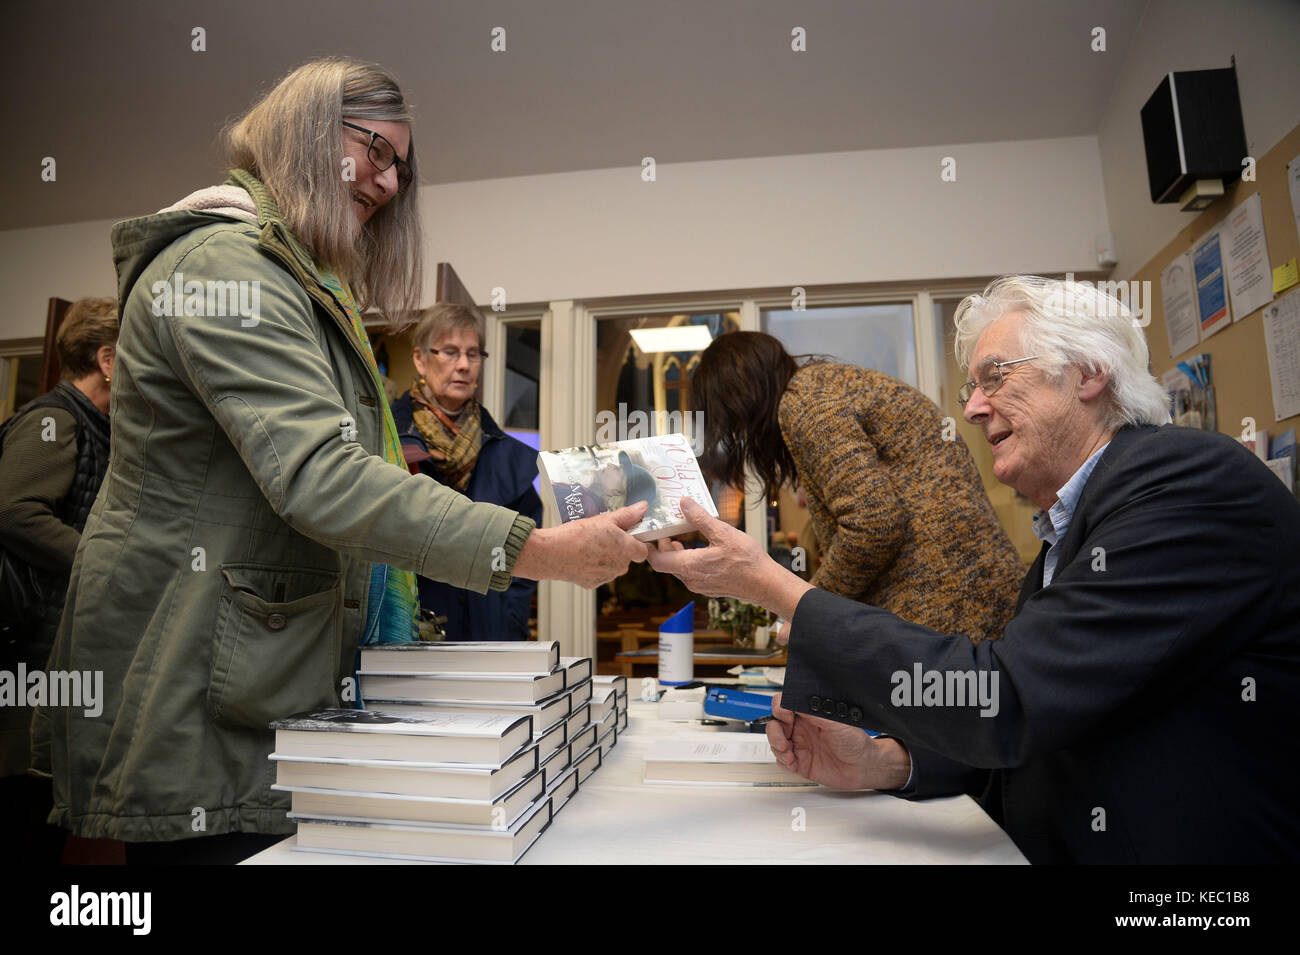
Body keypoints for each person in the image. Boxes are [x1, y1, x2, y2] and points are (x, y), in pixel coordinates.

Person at [30, 58, 648, 865]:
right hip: (199, 678)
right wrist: (539, 553)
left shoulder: (301, 282)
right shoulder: (226, 268)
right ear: (305, 134)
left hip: (257, 675)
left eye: (402, 164)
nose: (390, 183)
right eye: (376, 151)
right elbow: (322, 477)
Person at [650, 276, 1300, 864]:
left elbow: (1006, 702)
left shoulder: (1184, 484)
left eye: (996, 376)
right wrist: (884, 761)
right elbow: (1037, 737)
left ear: (1089, 372)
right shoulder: (1066, 538)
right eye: (973, 387)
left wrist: (772, 583)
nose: (972, 409)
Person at [690, 331, 1021, 644]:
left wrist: (805, 607)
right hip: (974, 598)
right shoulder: (825, 387)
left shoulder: (805, 402)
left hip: (951, 609)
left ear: (741, 400)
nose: (740, 434)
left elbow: (873, 526)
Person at [0, 296, 117, 864]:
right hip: (27, 660)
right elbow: (15, 512)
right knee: (22, 814)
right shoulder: (54, 420)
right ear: (109, 359)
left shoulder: (98, 427)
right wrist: (107, 563)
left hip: (53, 658)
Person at [390, 303, 543, 641]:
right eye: (450, 352)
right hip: (407, 635)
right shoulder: (387, 441)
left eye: (473, 354)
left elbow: (527, 551)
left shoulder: (508, 455)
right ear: (420, 359)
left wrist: (510, 618)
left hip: (490, 634)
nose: (463, 365)